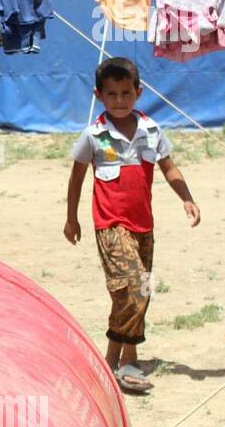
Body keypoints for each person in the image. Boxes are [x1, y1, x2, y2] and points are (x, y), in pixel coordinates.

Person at [63, 57, 200, 394]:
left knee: (129, 292)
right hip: (109, 225)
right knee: (136, 288)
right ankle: (112, 359)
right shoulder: (93, 135)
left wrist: (187, 197)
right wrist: (71, 218)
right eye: (112, 94)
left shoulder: (151, 131)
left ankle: (129, 358)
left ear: (138, 93)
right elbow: (76, 178)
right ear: (99, 95)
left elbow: (169, 168)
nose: (120, 100)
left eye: (126, 93)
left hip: (143, 226)